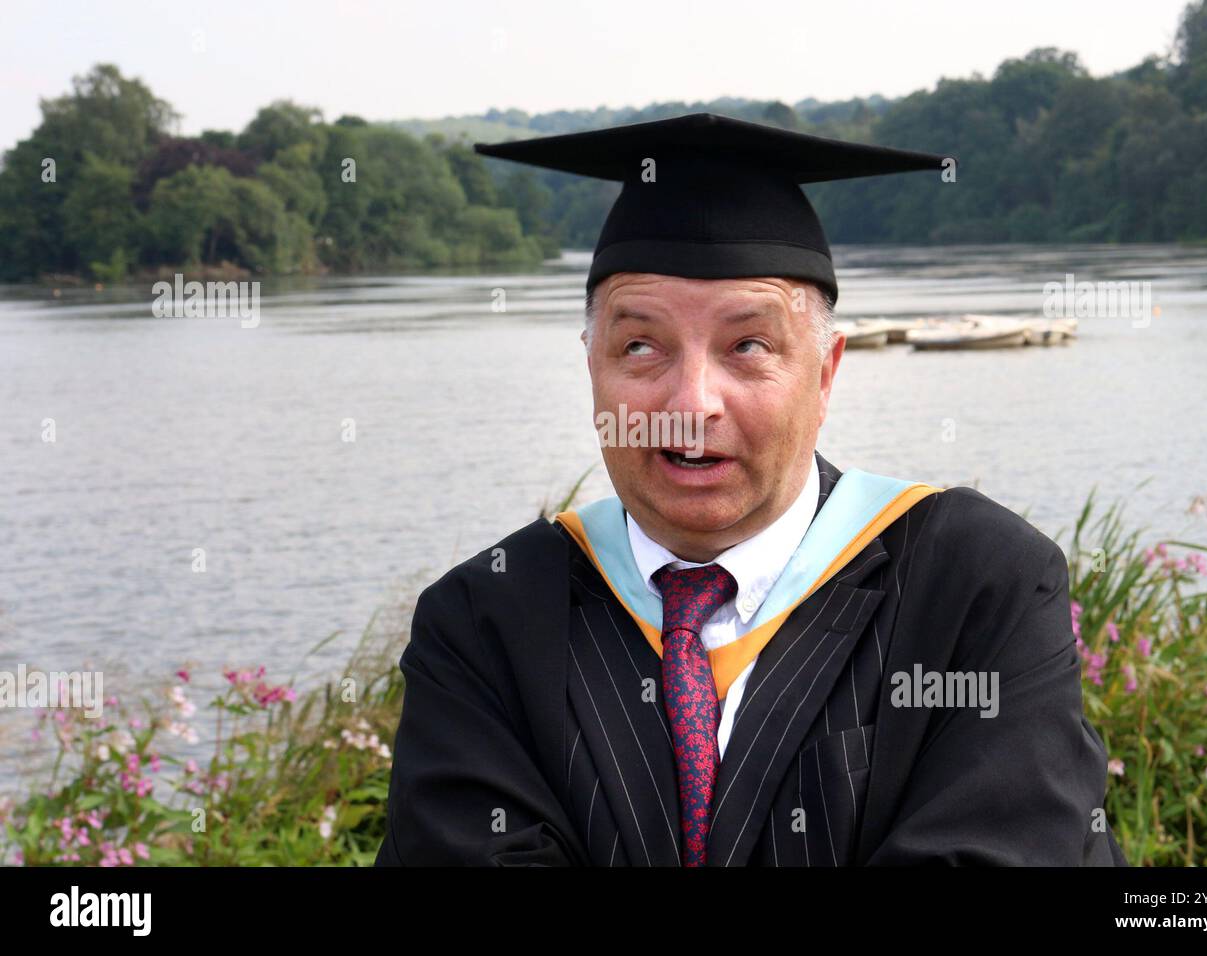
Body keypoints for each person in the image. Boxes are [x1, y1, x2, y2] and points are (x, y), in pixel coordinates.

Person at [374, 113, 1126, 866]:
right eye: (640, 346)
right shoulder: (484, 622)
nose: (691, 404)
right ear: (591, 367)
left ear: (825, 374)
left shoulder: (973, 586)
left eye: (749, 347)